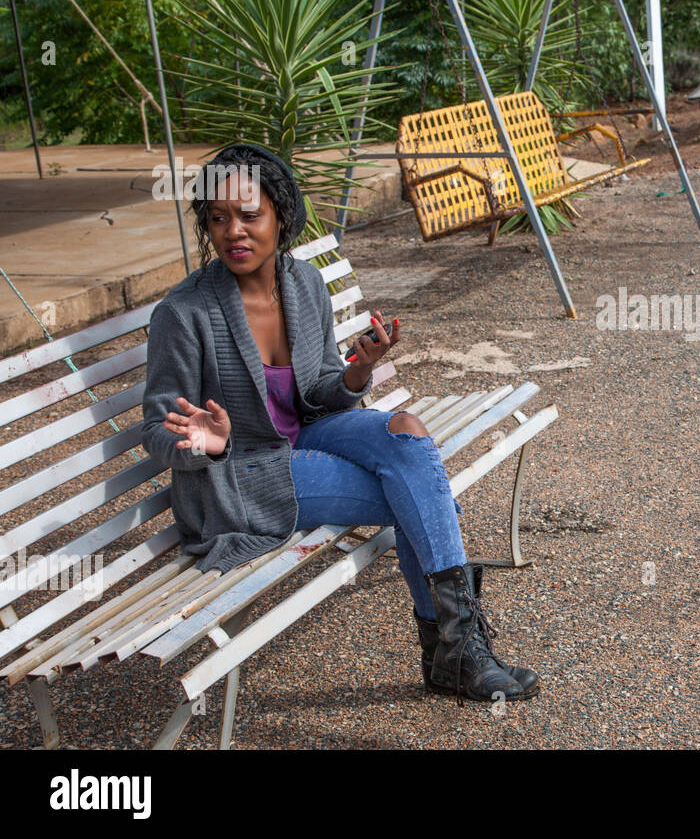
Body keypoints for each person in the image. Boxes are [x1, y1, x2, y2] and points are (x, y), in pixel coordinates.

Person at [140, 143, 538, 703]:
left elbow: (321, 391)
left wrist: (359, 371)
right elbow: (158, 429)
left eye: (250, 215)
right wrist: (205, 444)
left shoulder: (302, 284)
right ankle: (460, 652)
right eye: (219, 217)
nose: (235, 231)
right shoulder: (184, 314)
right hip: (243, 473)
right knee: (421, 496)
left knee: (406, 431)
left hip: (308, 436)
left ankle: (456, 649)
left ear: (280, 214)